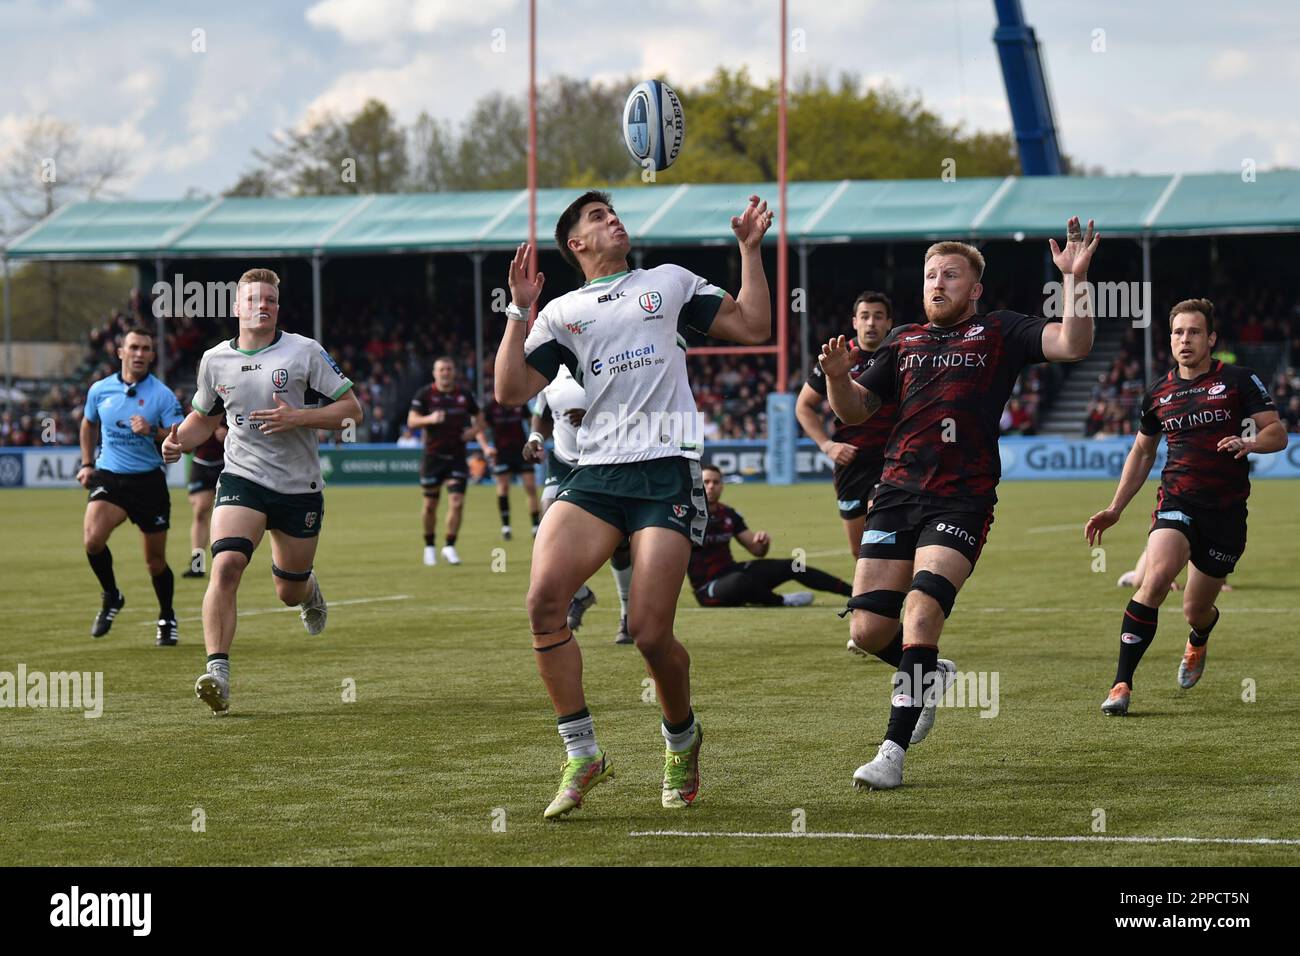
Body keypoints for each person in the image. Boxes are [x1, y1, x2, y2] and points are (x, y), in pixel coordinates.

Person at [495, 189, 773, 817]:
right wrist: (518, 310)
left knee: (650, 633)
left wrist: (749, 251)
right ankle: (582, 753)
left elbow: (755, 327)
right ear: (577, 245)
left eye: (612, 211)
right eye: (597, 217)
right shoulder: (562, 311)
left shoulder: (670, 282)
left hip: (664, 473)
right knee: (543, 602)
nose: (612, 219)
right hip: (594, 476)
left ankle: (682, 736)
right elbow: (511, 388)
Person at [822, 217, 1100, 790]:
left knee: (921, 611)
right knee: (868, 632)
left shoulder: (1000, 331)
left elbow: (1073, 344)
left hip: (962, 497)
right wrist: (834, 379)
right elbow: (854, 412)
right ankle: (930, 676)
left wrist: (1074, 280)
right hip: (896, 493)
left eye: (951, 275)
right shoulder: (902, 341)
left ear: (975, 289)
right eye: (930, 275)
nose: (937, 283)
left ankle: (890, 754)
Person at [162, 268, 362, 715]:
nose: (262, 306)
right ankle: (218, 673)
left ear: (277, 307)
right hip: (242, 478)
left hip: (298, 486)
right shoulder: (215, 361)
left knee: (286, 591)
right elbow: (204, 418)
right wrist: (178, 441)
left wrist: (300, 418)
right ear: (236, 308)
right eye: (253, 299)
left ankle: (308, 591)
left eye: (269, 300)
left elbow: (353, 410)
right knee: (227, 564)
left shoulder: (304, 352)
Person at [1085, 299, 1285, 715]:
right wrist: (1116, 507)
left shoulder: (1238, 380)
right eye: (1178, 332)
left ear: (1211, 338)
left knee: (1195, 609)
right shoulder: (1158, 393)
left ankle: (1199, 636)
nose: (1185, 339)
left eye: (1194, 332)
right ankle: (1121, 684)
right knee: (1155, 579)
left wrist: (1249, 443)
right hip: (1176, 501)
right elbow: (1141, 453)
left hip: (1226, 513)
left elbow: (1277, 433)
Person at [77, 327, 185, 645]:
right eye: (134, 347)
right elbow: (88, 423)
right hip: (110, 476)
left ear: (152, 356)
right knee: (92, 540)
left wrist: (152, 430)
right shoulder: (100, 390)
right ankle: (112, 596)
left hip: (149, 482)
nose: (139, 354)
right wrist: (86, 464)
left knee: (154, 562)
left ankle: (167, 616)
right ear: (120, 352)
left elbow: (179, 436)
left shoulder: (162, 395)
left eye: (146, 349)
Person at [523, 363, 635, 642]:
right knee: (548, 530)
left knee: (618, 547)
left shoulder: (608, 361)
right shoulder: (549, 368)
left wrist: (593, 418)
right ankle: (581, 594)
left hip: (603, 461)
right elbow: (543, 412)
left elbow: (633, 410)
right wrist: (535, 437)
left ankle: (627, 614)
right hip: (562, 462)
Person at [796, 292, 898, 559]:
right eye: (865, 316)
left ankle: (897, 596)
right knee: (859, 550)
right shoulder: (838, 358)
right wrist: (827, 445)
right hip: (851, 464)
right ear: (855, 322)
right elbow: (803, 406)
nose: (871, 323)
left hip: (892, 461)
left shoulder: (900, 355)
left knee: (881, 537)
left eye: (878, 316)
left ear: (889, 322)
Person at [690, 463, 852, 607]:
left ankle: (853, 592)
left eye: (716, 482)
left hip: (731, 571)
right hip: (708, 587)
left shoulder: (728, 514)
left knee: (793, 565)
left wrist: (762, 543)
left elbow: (757, 551)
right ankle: (782, 601)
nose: (711, 486)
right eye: (706, 482)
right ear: (698, 485)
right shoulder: (689, 515)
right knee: (740, 581)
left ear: (722, 486)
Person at [407, 358, 490, 566]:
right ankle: (429, 547)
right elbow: (412, 420)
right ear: (435, 373)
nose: (445, 373)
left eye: (449, 369)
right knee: (430, 505)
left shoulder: (464, 395)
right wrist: (430, 419)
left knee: (457, 502)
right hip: (433, 457)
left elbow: (481, 419)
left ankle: (450, 546)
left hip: (457, 458)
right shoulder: (425, 394)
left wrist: (472, 431)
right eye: (441, 369)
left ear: (454, 372)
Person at [484, 396, 540, 539]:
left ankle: (535, 526)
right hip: (501, 453)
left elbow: (531, 421)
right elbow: (480, 427)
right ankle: (506, 527)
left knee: (530, 487)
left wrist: (535, 440)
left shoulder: (519, 402)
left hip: (521, 451)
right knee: (503, 489)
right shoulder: (491, 407)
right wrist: (485, 447)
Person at [182, 413, 227, 578]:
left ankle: (226, 561)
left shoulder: (234, 399)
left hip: (228, 463)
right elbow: (186, 444)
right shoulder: (197, 404)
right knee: (201, 511)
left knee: (226, 516)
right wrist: (184, 441)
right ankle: (197, 565)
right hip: (201, 464)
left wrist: (229, 435)